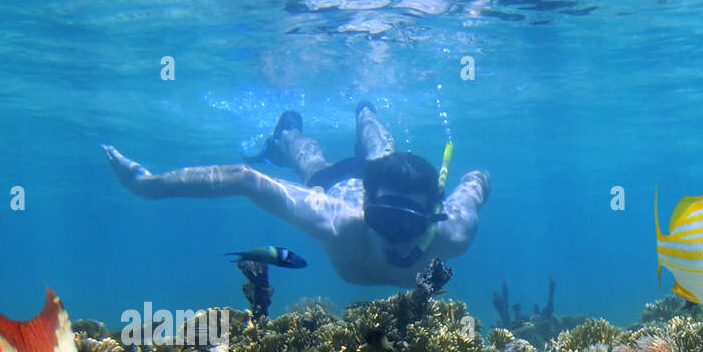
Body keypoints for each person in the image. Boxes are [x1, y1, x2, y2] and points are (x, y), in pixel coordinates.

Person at [103, 102, 489, 286]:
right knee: (317, 165)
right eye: (386, 220)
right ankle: (302, 129)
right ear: (367, 209)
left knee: (381, 152)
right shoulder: (334, 221)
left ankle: (363, 114)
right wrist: (148, 186)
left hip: (382, 184)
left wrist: (479, 180)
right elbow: (244, 178)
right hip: (337, 184)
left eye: (411, 223)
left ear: (433, 218)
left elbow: (475, 182)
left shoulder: (453, 233)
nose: (397, 238)